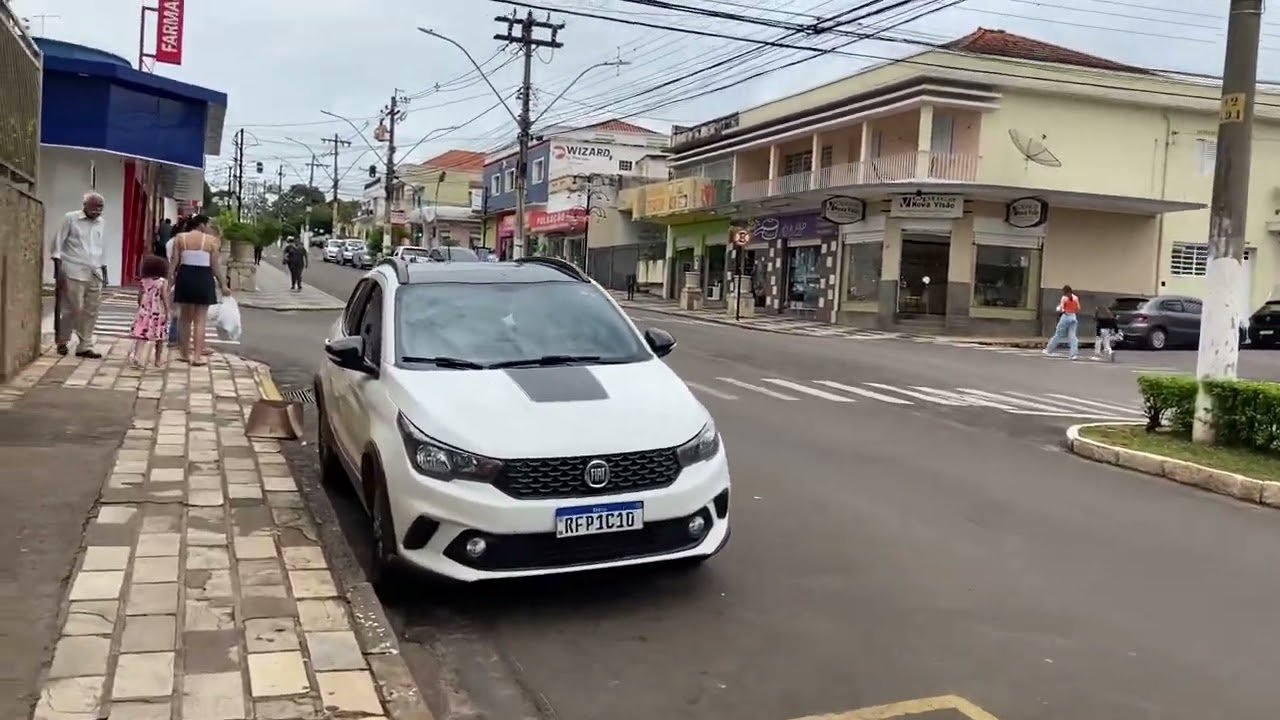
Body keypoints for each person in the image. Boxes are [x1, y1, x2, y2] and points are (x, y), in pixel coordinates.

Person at [50, 192, 107, 359]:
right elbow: (57, 246)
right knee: (73, 309)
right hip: (73, 270)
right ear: (85, 206)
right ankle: (62, 340)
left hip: (94, 272)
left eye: (100, 208)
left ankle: (85, 346)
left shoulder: (101, 223)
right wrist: (58, 271)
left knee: (91, 311)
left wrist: (103, 269)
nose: (98, 211)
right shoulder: (70, 218)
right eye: (95, 207)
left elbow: (99, 247)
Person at [168, 214, 229, 365]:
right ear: (202, 224)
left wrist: (169, 280)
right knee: (200, 320)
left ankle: (184, 353)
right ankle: (196, 356)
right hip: (203, 278)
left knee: (185, 319)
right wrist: (223, 284)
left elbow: (174, 262)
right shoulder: (211, 241)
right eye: (208, 224)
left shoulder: (180, 238)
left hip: (185, 277)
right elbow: (215, 266)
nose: (209, 228)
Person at [128, 255, 171, 369]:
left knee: (142, 334)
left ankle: (137, 355)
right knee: (159, 336)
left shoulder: (144, 281)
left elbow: (140, 295)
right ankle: (157, 359)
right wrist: (167, 310)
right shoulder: (162, 282)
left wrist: (140, 307)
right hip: (157, 311)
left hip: (145, 310)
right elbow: (164, 296)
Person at [1044, 284, 1081, 360]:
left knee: (1058, 334)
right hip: (1073, 316)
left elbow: (1061, 309)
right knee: (1072, 336)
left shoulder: (1064, 298)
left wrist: (1059, 309)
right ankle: (1073, 354)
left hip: (1066, 316)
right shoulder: (1075, 298)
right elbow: (1078, 308)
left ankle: (1049, 349)